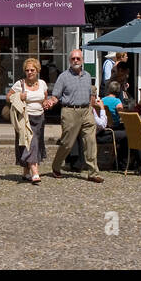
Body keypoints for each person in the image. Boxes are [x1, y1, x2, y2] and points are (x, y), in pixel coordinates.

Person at [44, 49, 102, 182]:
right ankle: (56, 166)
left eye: (78, 58)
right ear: (70, 61)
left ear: (82, 60)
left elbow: (90, 94)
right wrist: (50, 103)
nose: (76, 61)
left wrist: (94, 106)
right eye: (73, 59)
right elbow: (56, 95)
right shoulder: (63, 77)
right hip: (70, 111)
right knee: (67, 143)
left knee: (90, 142)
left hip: (86, 111)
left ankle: (93, 172)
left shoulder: (87, 75)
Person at [9, 58, 47, 183]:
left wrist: (46, 103)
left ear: (37, 71)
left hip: (39, 118)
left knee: (34, 143)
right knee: (31, 142)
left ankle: (25, 173)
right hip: (25, 119)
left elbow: (44, 99)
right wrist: (19, 96)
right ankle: (35, 172)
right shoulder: (19, 84)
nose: (29, 72)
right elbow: (8, 97)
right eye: (27, 70)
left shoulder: (42, 84)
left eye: (32, 70)